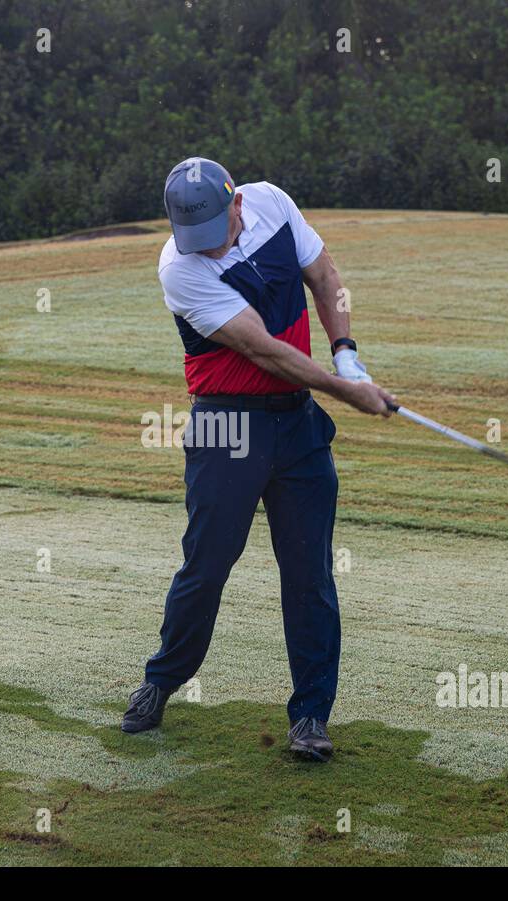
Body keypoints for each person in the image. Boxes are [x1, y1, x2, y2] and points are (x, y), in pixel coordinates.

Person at [122, 158, 395, 761]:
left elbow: (325, 277)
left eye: (215, 230)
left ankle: (311, 717)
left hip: (297, 423)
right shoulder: (179, 268)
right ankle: (162, 679)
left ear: (237, 204)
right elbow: (263, 349)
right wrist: (345, 390)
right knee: (206, 565)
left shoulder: (271, 202)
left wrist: (345, 352)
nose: (203, 246)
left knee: (310, 576)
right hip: (227, 424)